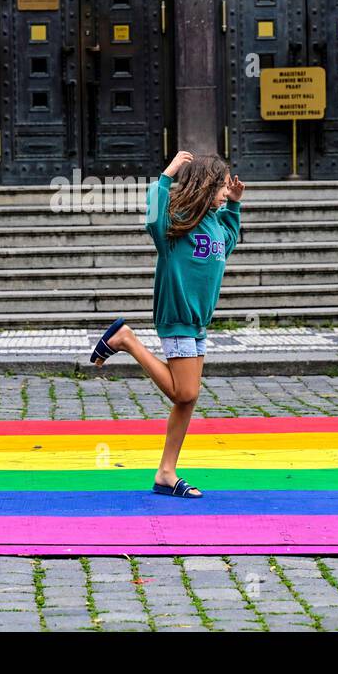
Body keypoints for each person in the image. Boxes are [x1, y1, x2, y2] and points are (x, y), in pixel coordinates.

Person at [89, 150, 244, 499]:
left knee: (187, 400)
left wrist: (234, 206)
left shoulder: (216, 223)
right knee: (184, 392)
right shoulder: (177, 222)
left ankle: (166, 472)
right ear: (205, 184)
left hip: (198, 321)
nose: (225, 189)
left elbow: (229, 245)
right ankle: (126, 340)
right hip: (176, 315)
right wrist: (166, 176)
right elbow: (153, 219)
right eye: (221, 186)